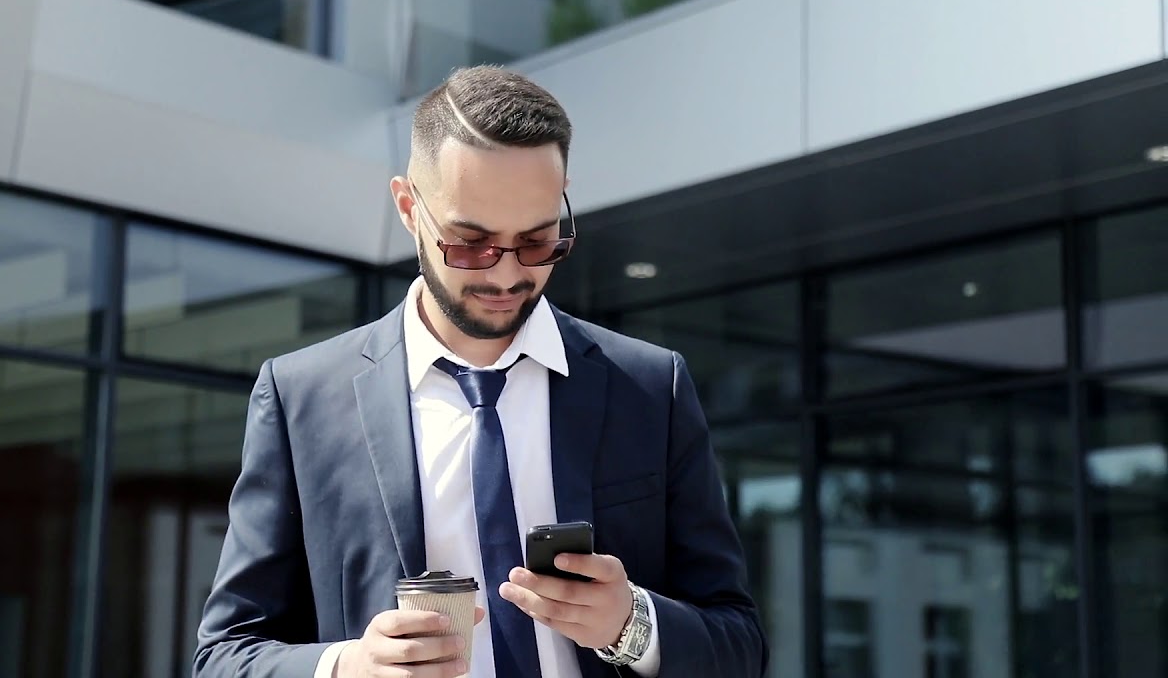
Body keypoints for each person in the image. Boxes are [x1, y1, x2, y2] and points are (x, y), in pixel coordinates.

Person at [193, 65, 768, 678]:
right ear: (410, 207)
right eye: (471, 245)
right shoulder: (301, 398)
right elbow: (225, 655)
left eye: (539, 241)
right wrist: (348, 668)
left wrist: (631, 625)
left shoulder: (652, 389)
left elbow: (740, 646)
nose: (505, 275)